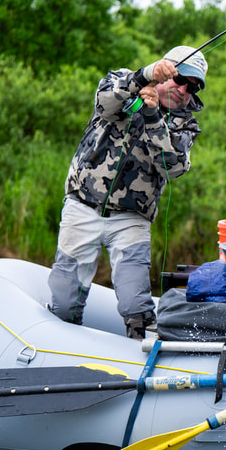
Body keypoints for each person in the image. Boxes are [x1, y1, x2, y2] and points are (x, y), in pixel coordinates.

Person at [48, 46, 208, 339]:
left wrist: (151, 116)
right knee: (64, 301)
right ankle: (59, 345)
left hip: (131, 219)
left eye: (192, 87)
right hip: (82, 205)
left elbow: (171, 166)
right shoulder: (124, 81)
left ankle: (138, 353)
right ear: (165, 71)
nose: (184, 89)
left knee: (136, 305)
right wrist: (144, 76)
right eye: (180, 79)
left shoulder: (185, 124)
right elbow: (104, 104)